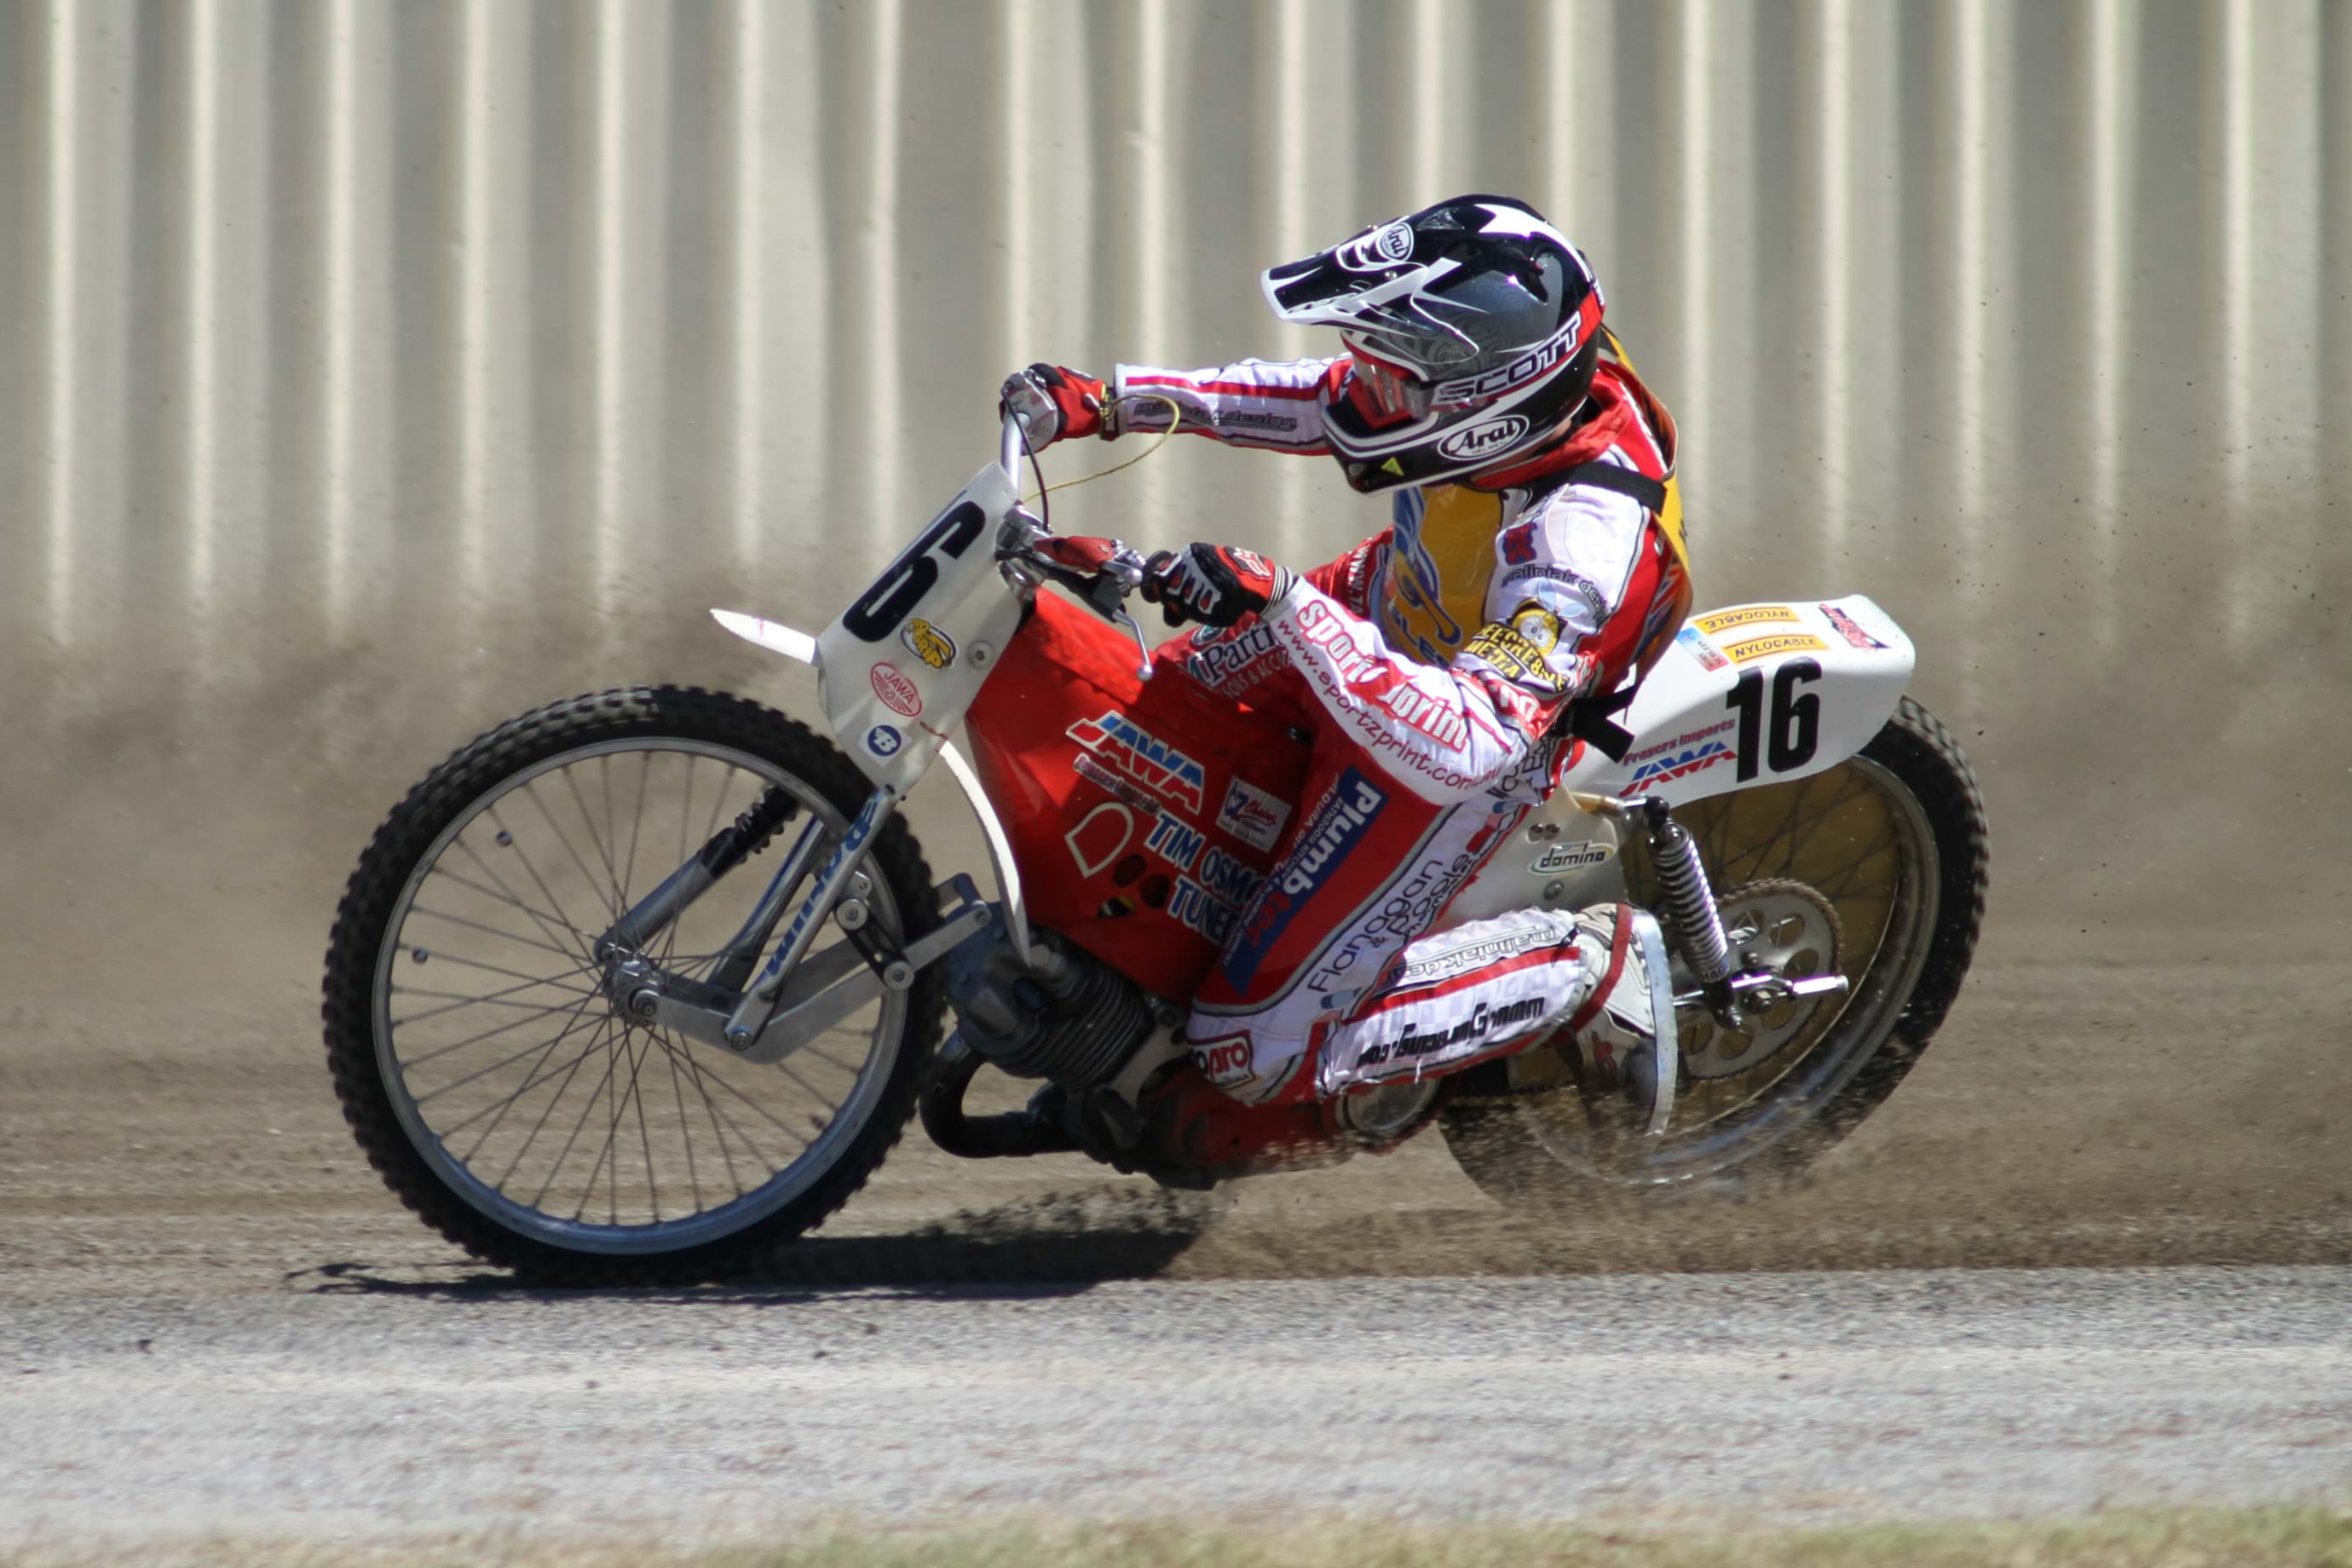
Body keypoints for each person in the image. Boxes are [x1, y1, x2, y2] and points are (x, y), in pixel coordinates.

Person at [1000, 194, 1692, 1143]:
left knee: (1252, 1048)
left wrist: (1290, 607)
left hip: (1469, 739)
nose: (1363, 393)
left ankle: (1584, 968)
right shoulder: (1523, 394)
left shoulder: (1579, 547)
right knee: (1142, 722)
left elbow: (1474, 743)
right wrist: (1114, 401)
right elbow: (1318, 400)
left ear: (1484, 410)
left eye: (1391, 380)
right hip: (1389, 604)